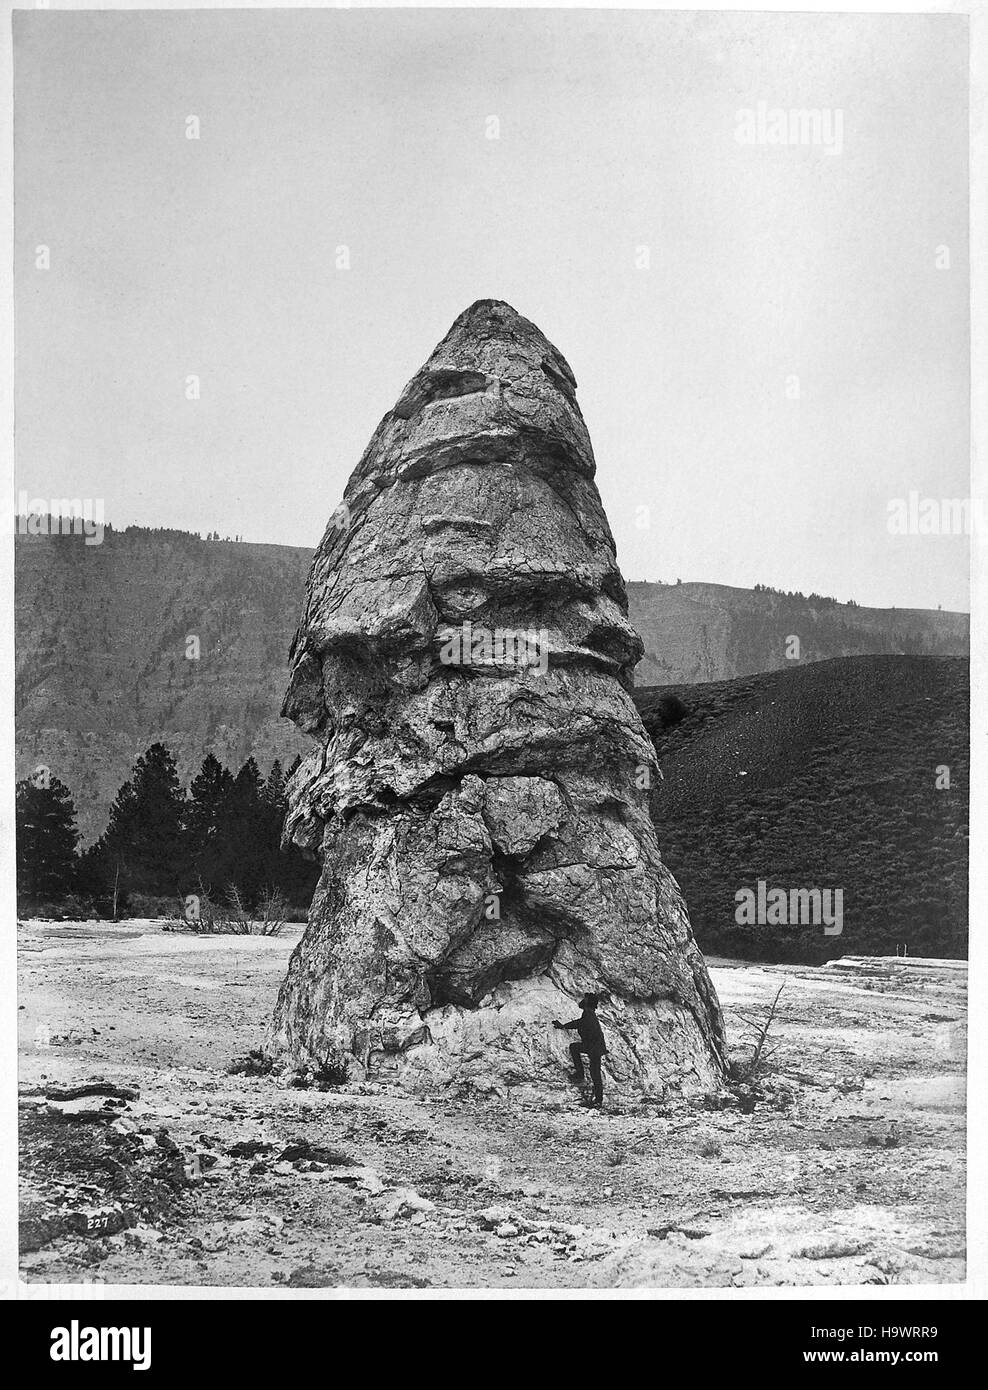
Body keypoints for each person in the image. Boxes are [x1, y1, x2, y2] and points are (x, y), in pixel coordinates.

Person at [553, 993, 607, 1108]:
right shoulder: (590, 1013)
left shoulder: (588, 1013)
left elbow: (579, 1023)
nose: (582, 1000)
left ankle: (581, 1075)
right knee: (594, 1072)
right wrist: (564, 1026)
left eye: (585, 999)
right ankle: (598, 1099)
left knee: (594, 1072)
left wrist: (563, 1026)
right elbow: (580, 1023)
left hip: (594, 1047)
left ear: (588, 1002)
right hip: (594, 1046)